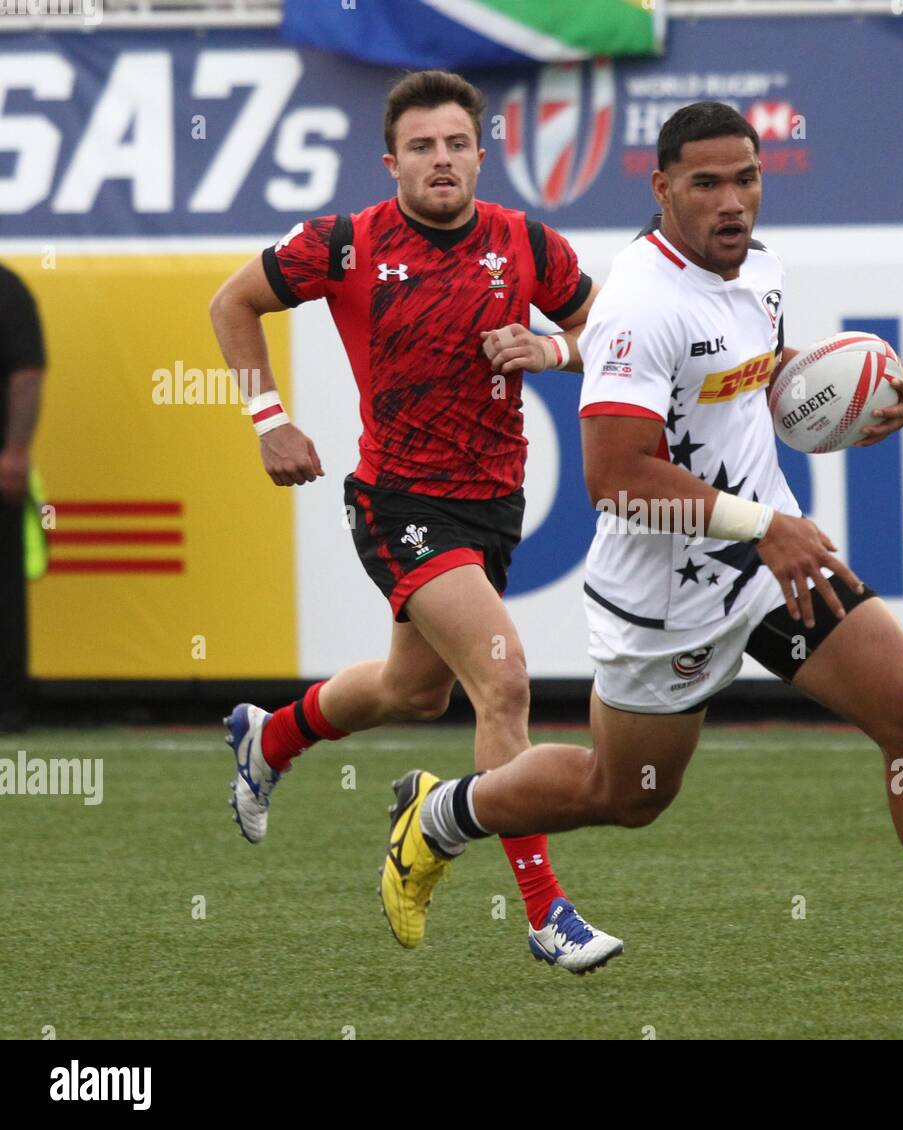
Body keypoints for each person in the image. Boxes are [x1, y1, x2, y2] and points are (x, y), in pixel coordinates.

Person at [383, 101, 903, 1016]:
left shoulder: (757, 265)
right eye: (707, 183)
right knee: (627, 793)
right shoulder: (639, 305)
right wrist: (762, 523)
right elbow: (613, 478)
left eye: (747, 179)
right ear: (662, 189)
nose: (733, 202)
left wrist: (859, 392)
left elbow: (749, 366)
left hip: (770, 570)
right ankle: (442, 816)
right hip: (664, 601)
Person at [208, 70, 620, 972]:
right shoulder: (347, 243)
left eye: (456, 144)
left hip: (493, 503)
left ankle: (269, 734)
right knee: (503, 682)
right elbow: (230, 303)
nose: (442, 160)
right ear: (391, 160)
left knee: (414, 691)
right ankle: (548, 914)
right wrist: (268, 420)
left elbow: (613, 334)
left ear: (482, 151)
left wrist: (552, 348)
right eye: (422, 147)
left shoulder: (526, 243)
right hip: (398, 501)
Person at [0, 263, 46, 734]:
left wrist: (15, 451)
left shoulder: (6, 290)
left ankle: (6, 707)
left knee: (4, 588)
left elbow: (27, 373)